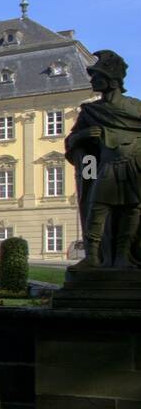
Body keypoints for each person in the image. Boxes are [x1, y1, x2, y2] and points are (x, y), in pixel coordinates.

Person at [65, 50, 141, 268]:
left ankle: (123, 257)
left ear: (112, 81)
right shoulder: (90, 112)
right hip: (106, 168)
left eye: (96, 76)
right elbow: (71, 142)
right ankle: (92, 257)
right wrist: (82, 136)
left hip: (134, 168)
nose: (92, 81)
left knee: (132, 210)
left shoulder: (135, 107)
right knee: (95, 208)